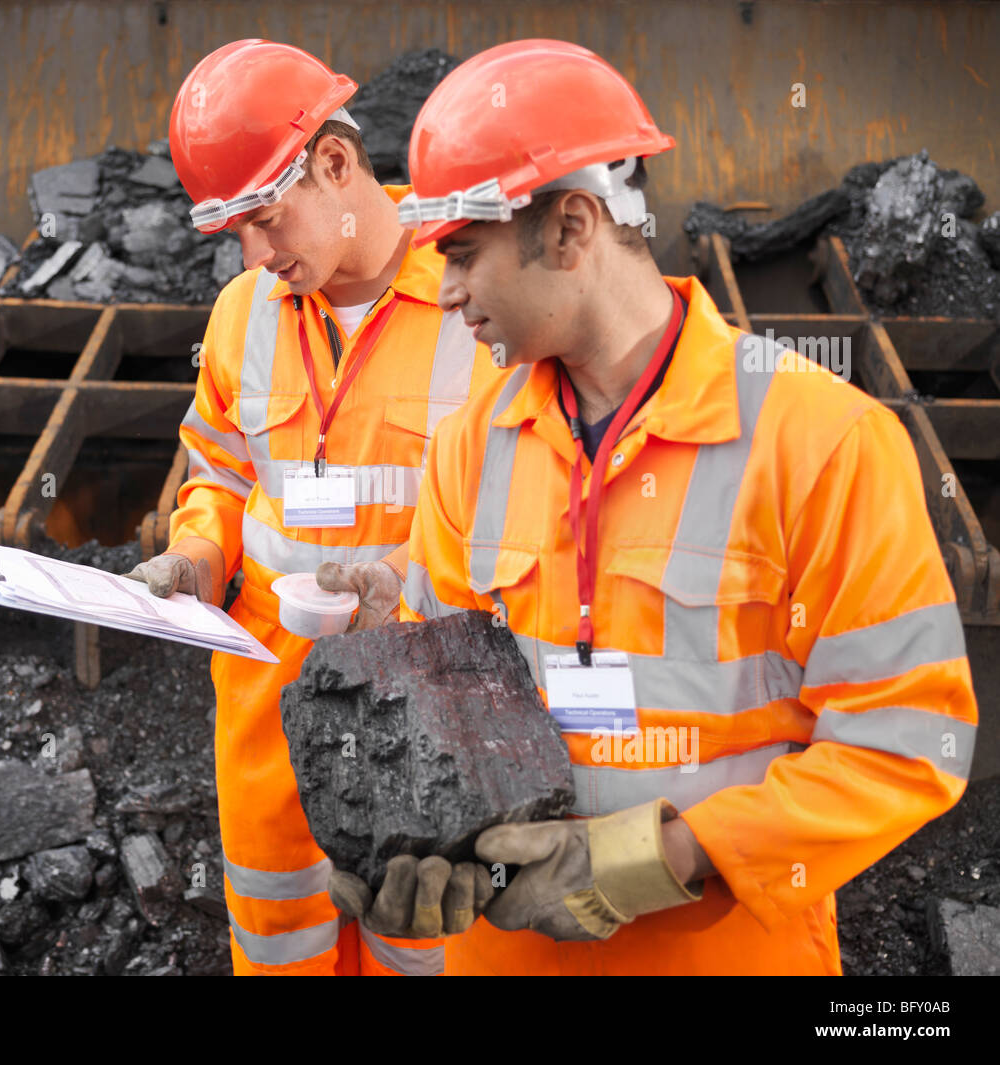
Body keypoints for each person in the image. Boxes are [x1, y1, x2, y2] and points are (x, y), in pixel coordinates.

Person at [327, 38, 979, 975]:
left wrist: (652, 858)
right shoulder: (473, 442)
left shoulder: (824, 440)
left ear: (570, 227)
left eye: (462, 254)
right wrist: (389, 827)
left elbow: (911, 739)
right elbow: (443, 700)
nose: (446, 290)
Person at [127, 39, 504, 976]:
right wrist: (196, 560)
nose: (256, 256)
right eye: (235, 234)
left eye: (267, 219)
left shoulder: (480, 307)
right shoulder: (243, 314)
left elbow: (519, 513)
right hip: (267, 706)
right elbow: (216, 474)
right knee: (276, 937)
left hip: (423, 705)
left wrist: (399, 583)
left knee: (421, 945)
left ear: (335, 164)